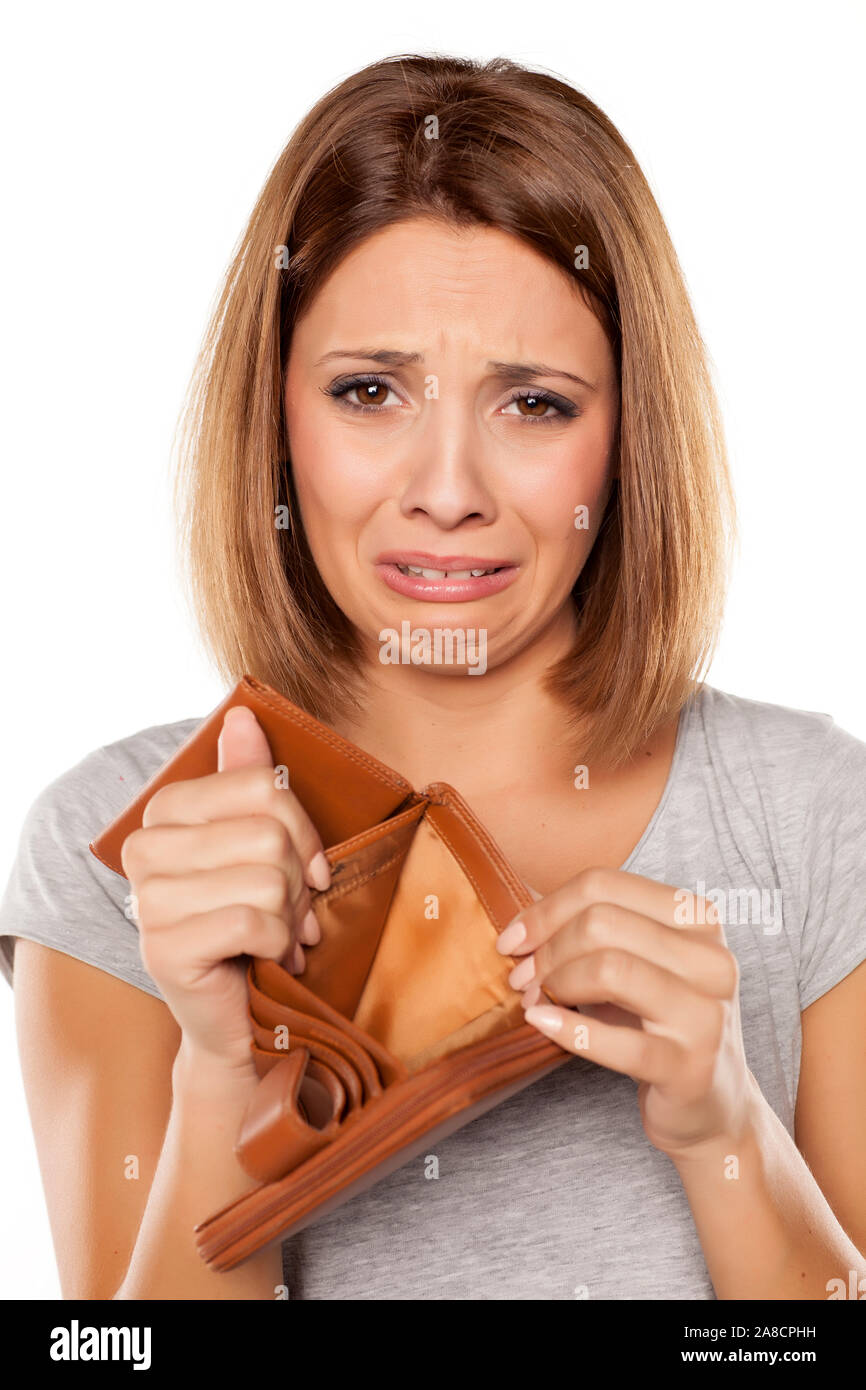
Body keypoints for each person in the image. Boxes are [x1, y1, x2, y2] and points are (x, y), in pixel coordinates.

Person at [1, 53, 864, 1302]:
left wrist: (723, 1132)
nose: (447, 489)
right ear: (274, 416)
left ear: (626, 438)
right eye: (368, 391)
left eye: (533, 403)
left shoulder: (814, 822)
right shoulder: (118, 853)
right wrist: (213, 1074)